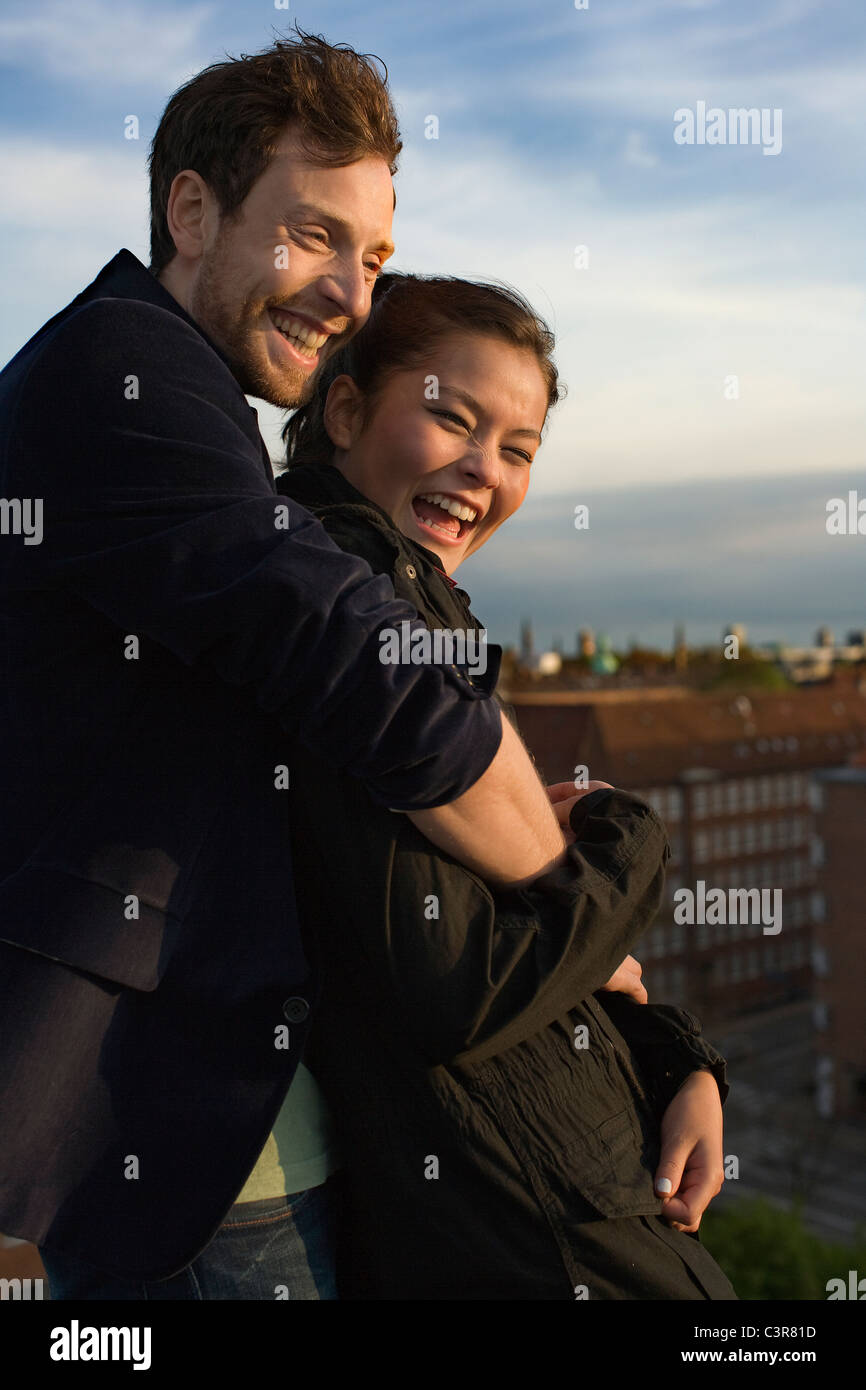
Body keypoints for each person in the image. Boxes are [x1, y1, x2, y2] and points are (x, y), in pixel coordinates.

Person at [0, 32, 582, 1301]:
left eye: (370, 256)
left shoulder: (181, 400)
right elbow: (365, 675)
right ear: (191, 209)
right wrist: (574, 897)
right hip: (187, 1156)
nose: (351, 294)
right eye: (314, 236)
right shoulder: (125, 372)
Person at [275, 272, 737, 1299]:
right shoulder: (353, 611)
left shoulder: (403, 600)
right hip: (533, 1224)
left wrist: (670, 1057)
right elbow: (457, 981)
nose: (483, 469)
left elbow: (510, 933)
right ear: (343, 410)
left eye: (518, 449)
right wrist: (626, 837)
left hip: (557, 1196)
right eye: (449, 416)